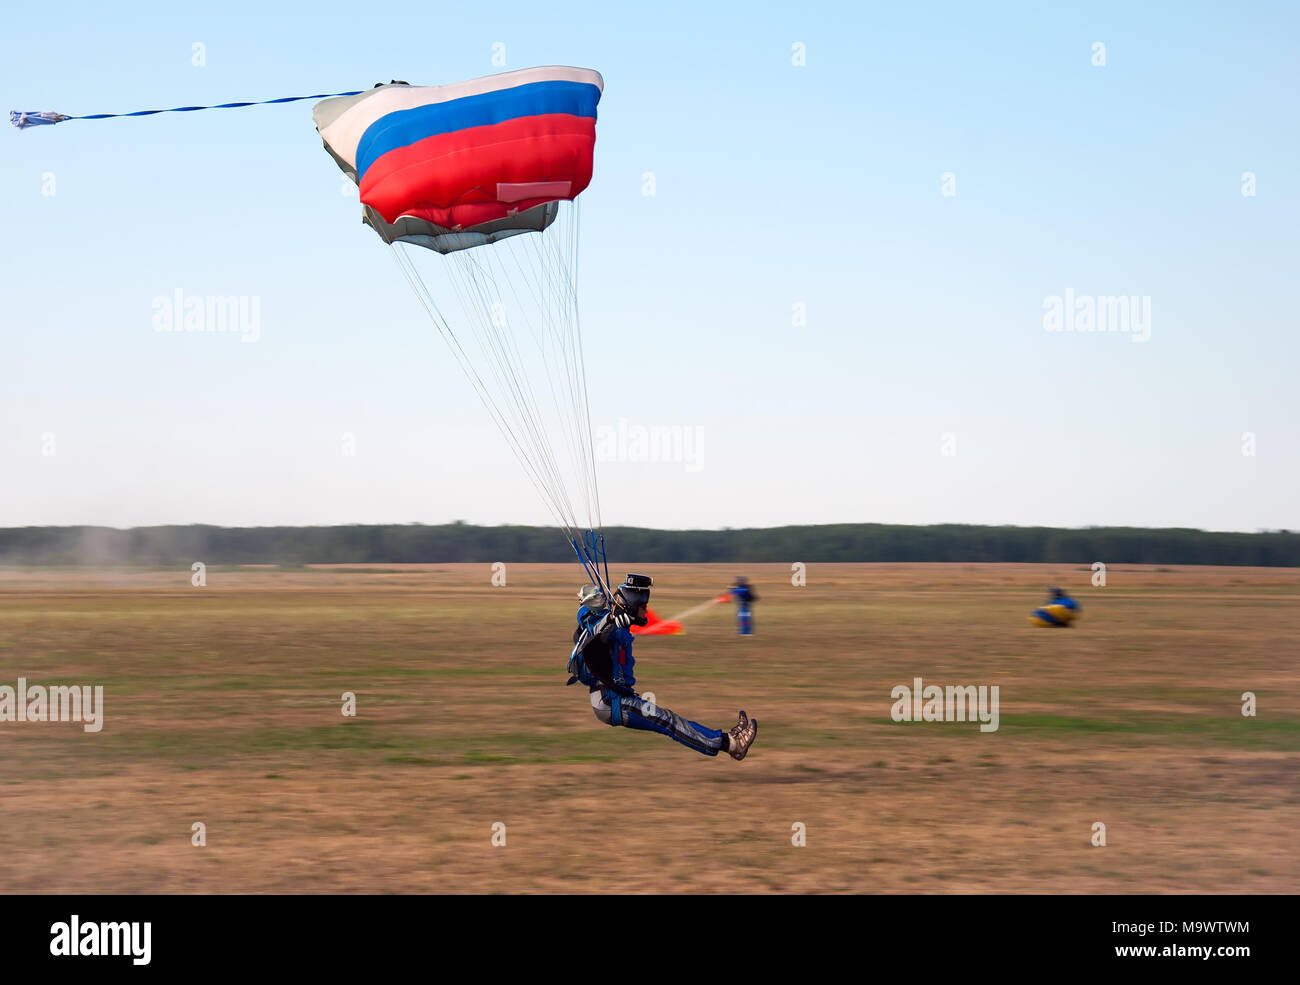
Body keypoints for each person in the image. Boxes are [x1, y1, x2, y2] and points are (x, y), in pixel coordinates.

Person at [567, 574, 758, 760]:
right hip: (610, 702)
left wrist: (611, 613)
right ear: (632, 606)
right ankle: (732, 744)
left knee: (668, 719)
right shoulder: (609, 627)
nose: (646, 611)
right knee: (668, 721)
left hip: (618, 698)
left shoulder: (620, 624)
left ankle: (729, 741)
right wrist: (608, 619)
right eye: (643, 607)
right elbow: (592, 627)